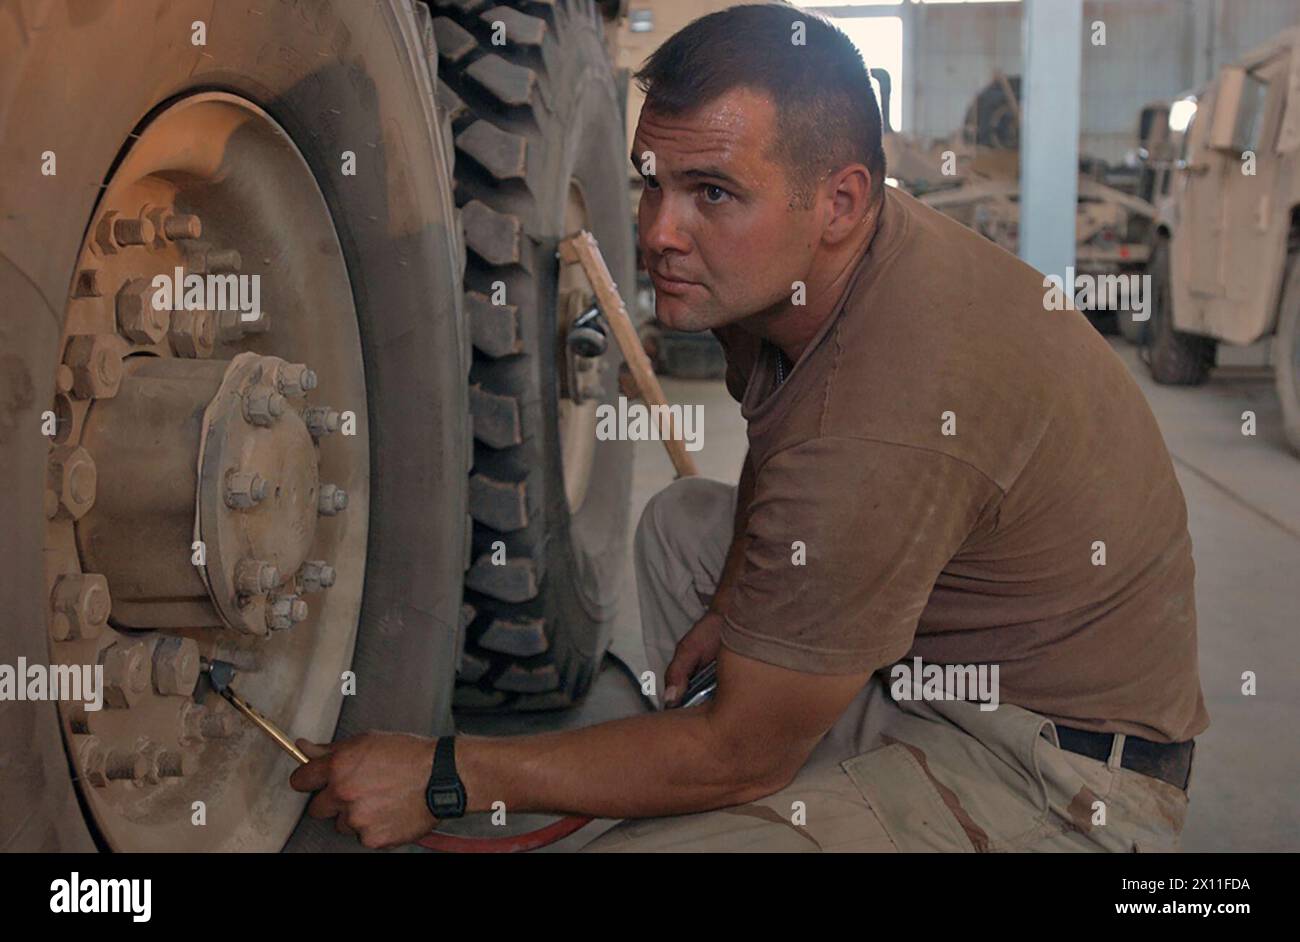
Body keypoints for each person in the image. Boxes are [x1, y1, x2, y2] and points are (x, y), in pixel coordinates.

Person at [290, 3, 1207, 852]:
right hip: (926, 656)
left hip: (1056, 771)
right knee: (681, 526)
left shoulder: (884, 413)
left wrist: (449, 773)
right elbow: (775, 438)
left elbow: (740, 755)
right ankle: (791, 741)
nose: (658, 233)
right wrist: (733, 603)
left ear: (840, 202)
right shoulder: (782, 277)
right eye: (653, 184)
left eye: (713, 193)